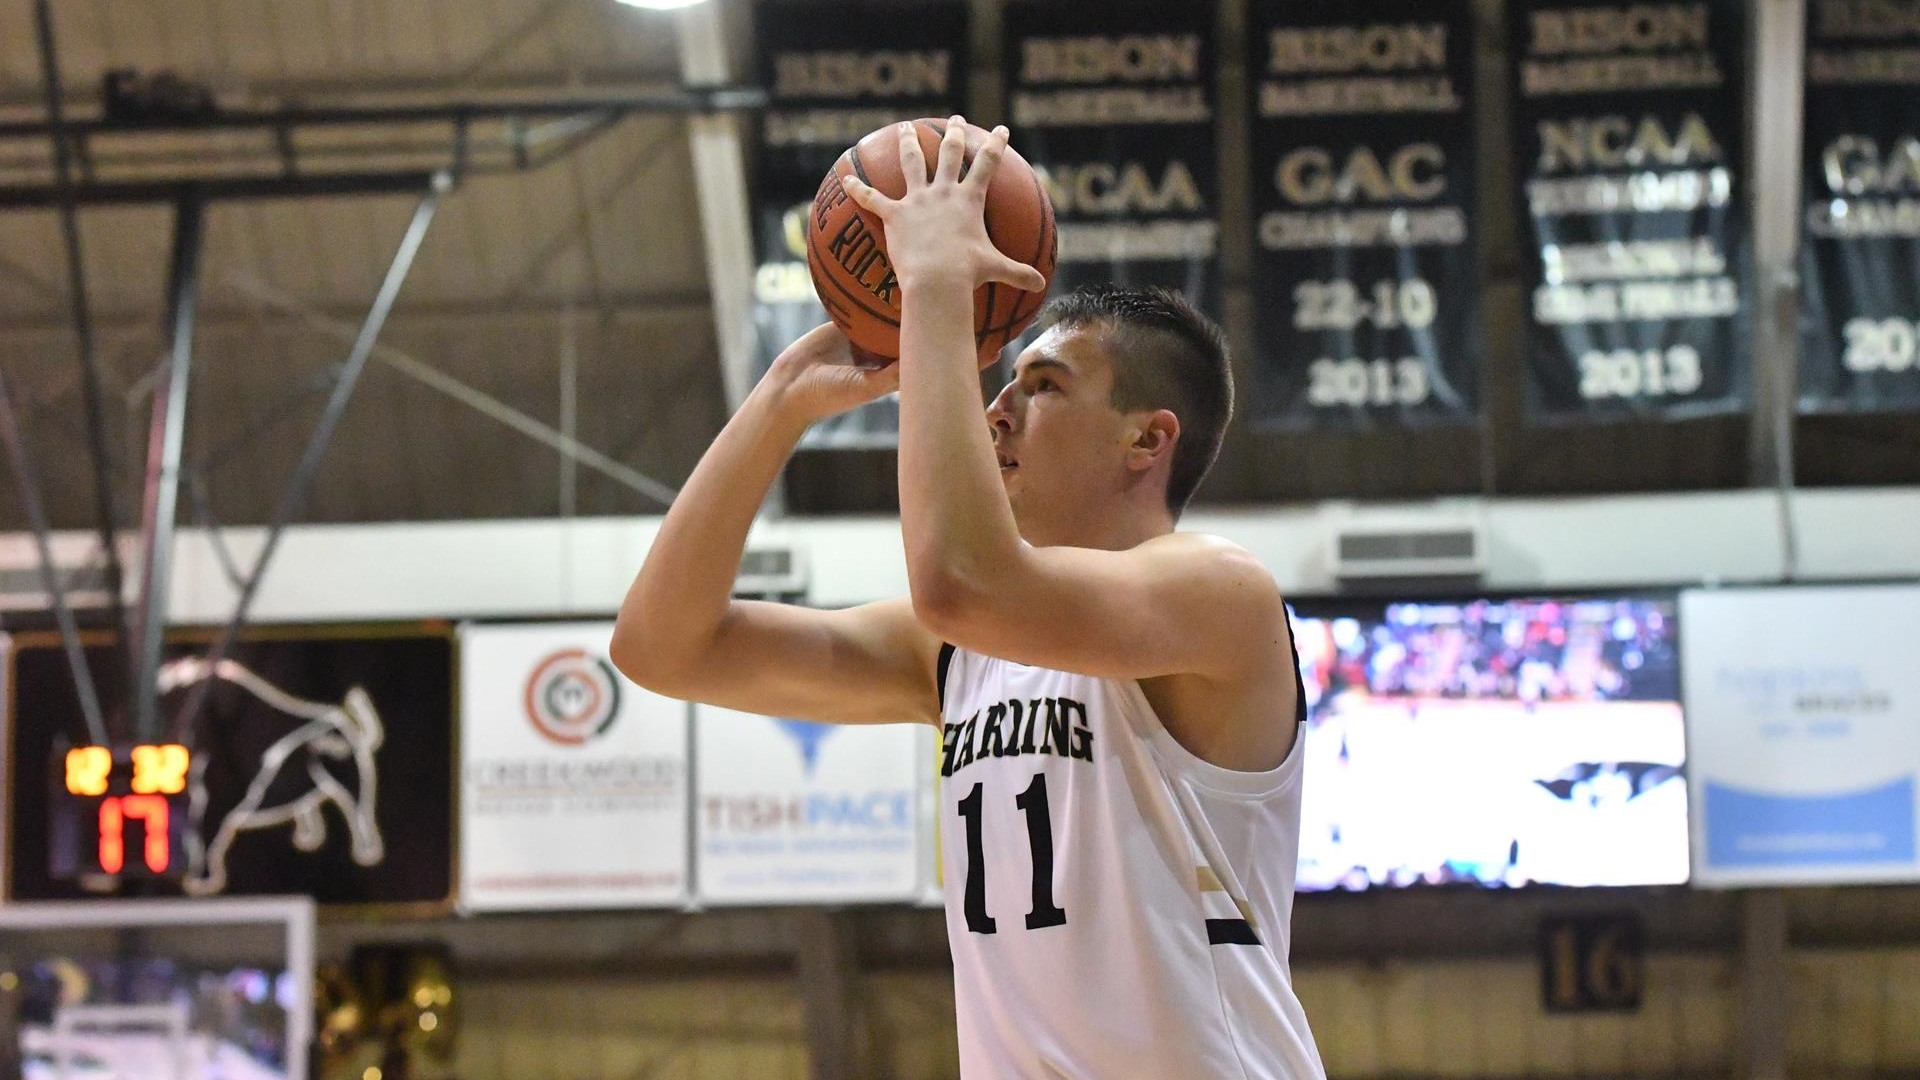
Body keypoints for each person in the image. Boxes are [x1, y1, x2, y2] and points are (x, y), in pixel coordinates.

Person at [611, 117, 1324, 1079]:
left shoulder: (1219, 594)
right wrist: (780, 398)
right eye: (1005, 381)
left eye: (1043, 384)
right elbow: (662, 647)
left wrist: (938, 288)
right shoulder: (955, 654)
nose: (997, 408)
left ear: (1147, 440)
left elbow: (961, 580)